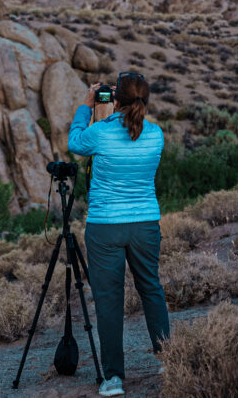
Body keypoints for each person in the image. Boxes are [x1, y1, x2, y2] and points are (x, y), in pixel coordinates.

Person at [68, 72, 168, 398]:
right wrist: (115, 114)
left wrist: (87, 106)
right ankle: (168, 359)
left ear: (116, 99)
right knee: (151, 289)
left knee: (109, 302)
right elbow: (131, 130)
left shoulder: (101, 133)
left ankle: (113, 379)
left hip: (105, 226)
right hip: (145, 225)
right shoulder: (156, 135)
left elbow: (75, 142)